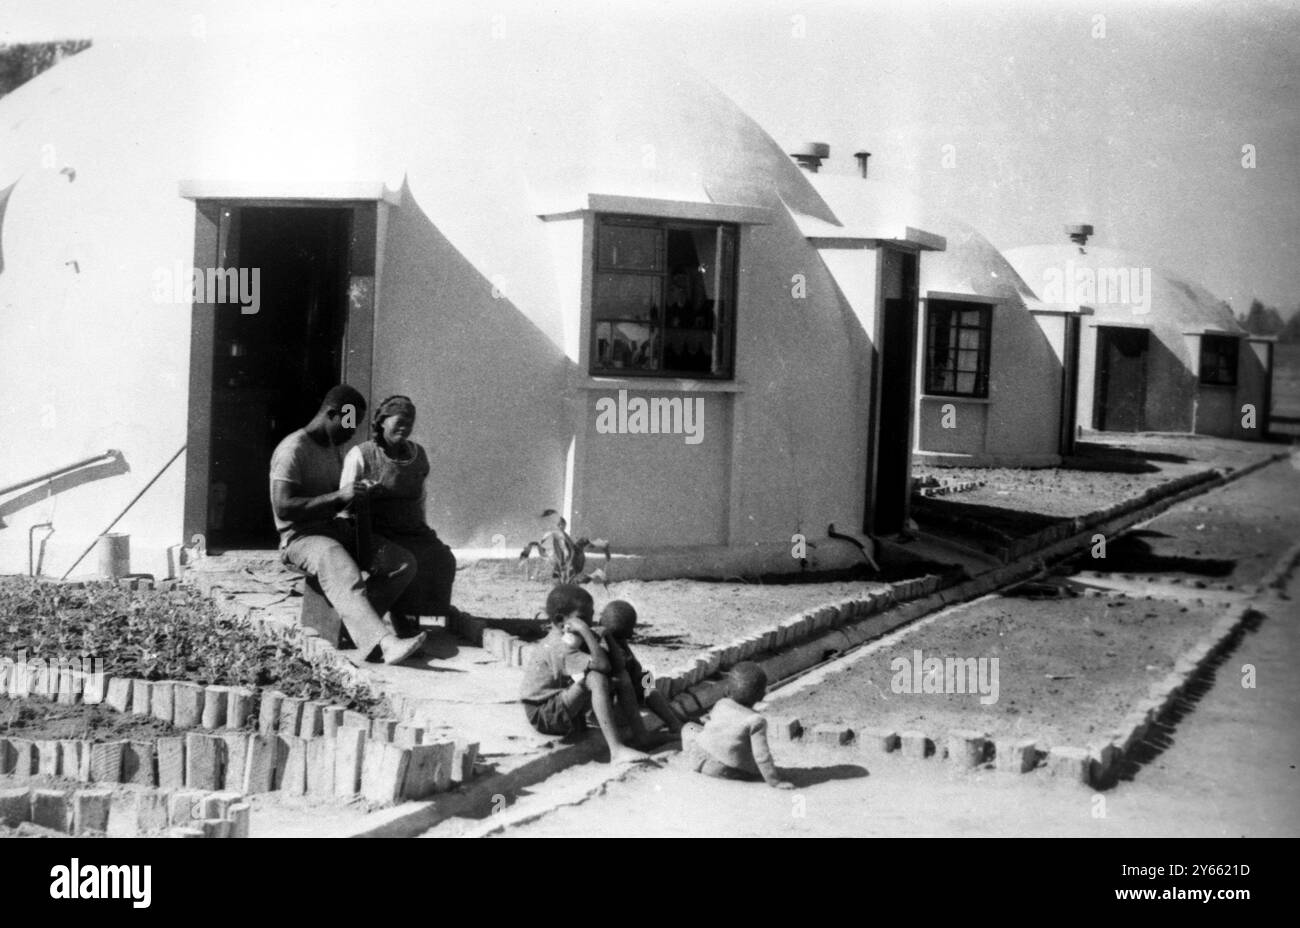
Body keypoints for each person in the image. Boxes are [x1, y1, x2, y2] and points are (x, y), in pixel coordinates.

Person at [269, 384, 426, 665]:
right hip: (300, 538)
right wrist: (340, 495)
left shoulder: (332, 448)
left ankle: (351, 629)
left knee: (401, 562)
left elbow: (337, 500)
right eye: (349, 422)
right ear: (332, 413)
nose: (353, 431)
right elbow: (283, 507)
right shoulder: (293, 449)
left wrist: (360, 493)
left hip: (332, 529)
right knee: (335, 559)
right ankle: (384, 643)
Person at [338, 394, 459, 639]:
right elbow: (343, 505)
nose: (405, 426)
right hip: (374, 534)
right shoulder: (361, 455)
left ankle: (429, 626)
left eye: (410, 421)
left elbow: (420, 500)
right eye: (400, 420)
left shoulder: (418, 455)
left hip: (411, 531)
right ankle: (361, 628)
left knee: (443, 560)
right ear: (382, 421)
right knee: (405, 563)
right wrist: (364, 495)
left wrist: (424, 532)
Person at [518, 585, 651, 764]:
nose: (589, 623)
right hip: (544, 713)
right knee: (595, 678)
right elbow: (601, 665)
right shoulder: (559, 645)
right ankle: (616, 749)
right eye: (582, 619)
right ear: (559, 620)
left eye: (591, 617)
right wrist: (588, 633)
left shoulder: (576, 636)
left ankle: (642, 736)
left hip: (559, 705)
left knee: (623, 678)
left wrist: (607, 636)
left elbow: (618, 668)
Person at [684, 662, 793, 788]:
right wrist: (775, 781)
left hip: (699, 759)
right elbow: (761, 755)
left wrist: (707, 720)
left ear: (727, 689)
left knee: (688, 727)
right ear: (762, 695)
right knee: (747, 757)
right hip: (723, 769)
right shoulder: (756, 720)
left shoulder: (721, 703)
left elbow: (714, 724)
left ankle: (687, 755)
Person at [595, 600, 686, 737]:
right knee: (650, 689)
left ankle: (679, 719)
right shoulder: (618, 651)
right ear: (631, 633)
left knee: (647, 682)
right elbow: (638, 672)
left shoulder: (599, 645)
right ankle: (675, 723)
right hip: (620, 710)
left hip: (608, 709)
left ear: (600, 622)